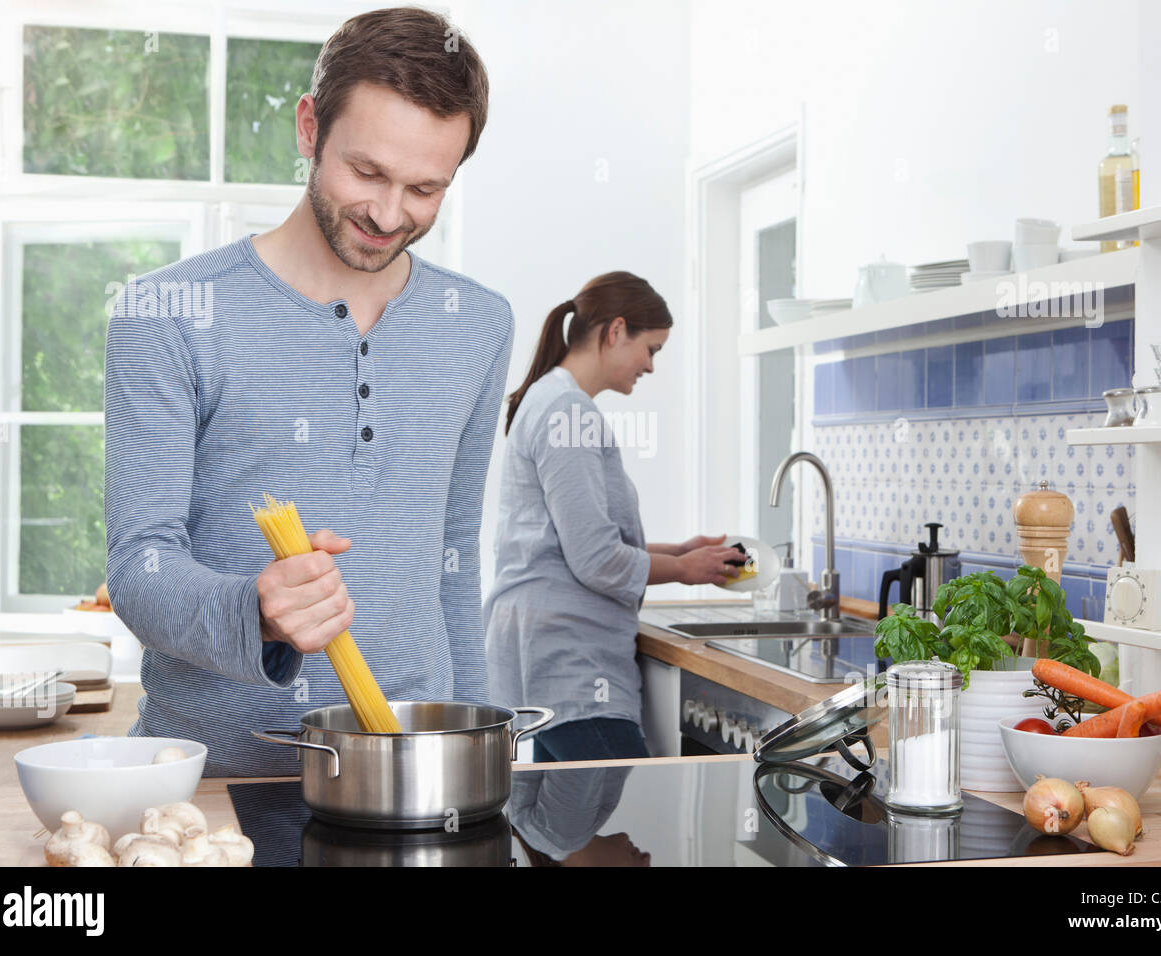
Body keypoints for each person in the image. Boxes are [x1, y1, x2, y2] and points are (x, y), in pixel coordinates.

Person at [104, 8, 511, 776]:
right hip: (214, 783)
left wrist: (482, 757)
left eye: (425, 188)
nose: (389, 215)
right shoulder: (165, 314)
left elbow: (456, 553)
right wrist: (253, 609)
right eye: (367, 172)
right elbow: (139, 565)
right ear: (307, 128)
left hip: (409, 782)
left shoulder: (479, 326)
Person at [484, 272, 743, 762]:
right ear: (615, 330)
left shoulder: (552, 399)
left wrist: (679, 551)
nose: (650, 365)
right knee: (613, 818)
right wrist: (687, 572)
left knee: (566, 832)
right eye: (652, 348)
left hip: (547, 651)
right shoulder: (569, 412)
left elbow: (568, 542)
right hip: (571, 663)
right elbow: (597, 561)